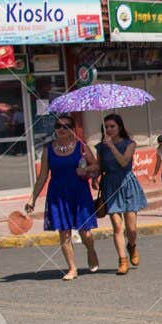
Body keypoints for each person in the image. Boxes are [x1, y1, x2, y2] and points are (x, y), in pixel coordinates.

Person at [26, 115, 100, 280]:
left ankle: (91, 250)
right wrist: (32, 199)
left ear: (72, 129)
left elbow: (95, 165)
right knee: (64, 232)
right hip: (58, 194)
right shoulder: (48, 149)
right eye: (58, 126)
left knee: (85, 232)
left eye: (65, 126)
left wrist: (86, 170)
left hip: (79, 193)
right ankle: (72, 268)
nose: (61, 129)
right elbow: (42, 176)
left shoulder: (81, 146)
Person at [96, 112, 146, 275]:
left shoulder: (129, 144)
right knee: (117, 226)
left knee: (131, 228)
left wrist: (111, 146)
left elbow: (124, 162)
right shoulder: (101, 147)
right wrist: (93, 175)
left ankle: (131, 246)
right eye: (106, 127)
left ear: (119, 127)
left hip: (127, 183)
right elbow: (100, 166)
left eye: (112, 126)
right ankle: (122, 261)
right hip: (110, 185)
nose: (109, 130)